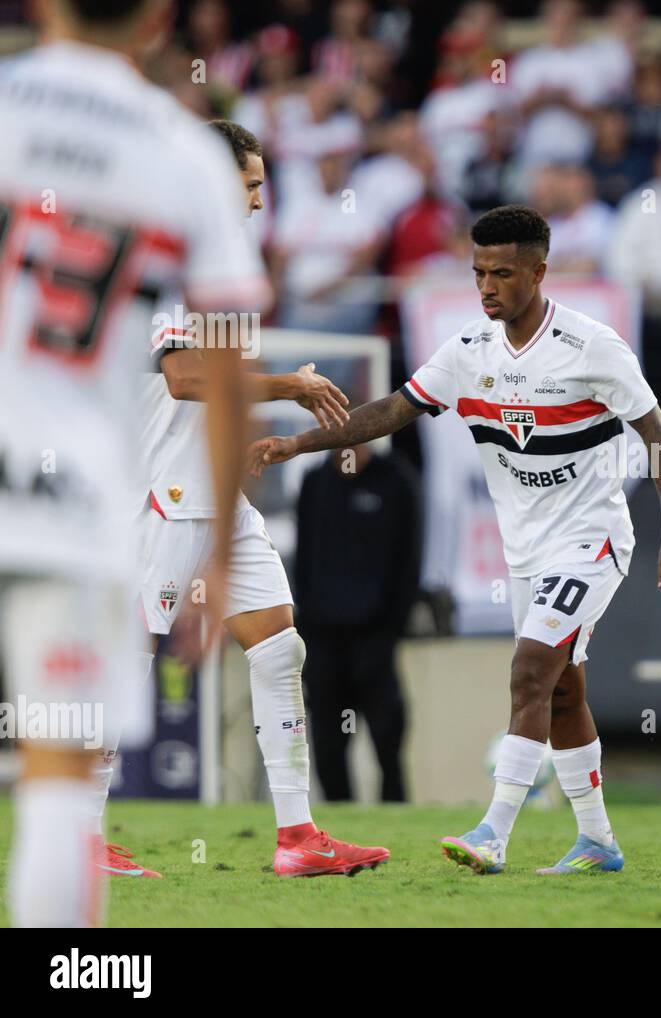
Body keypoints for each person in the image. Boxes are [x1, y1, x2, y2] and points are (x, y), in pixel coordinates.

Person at [249, 204, 661, 875]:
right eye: (479, 272)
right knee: (563, 690)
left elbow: (658, 436)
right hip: (526, 555)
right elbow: (391, 410)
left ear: (540, 272)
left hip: (591, 539)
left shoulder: (591, 347)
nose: (487, 286)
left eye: (503, 274)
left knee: (530, 669)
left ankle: (494, 830)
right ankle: (598, 841)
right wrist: (300, 442)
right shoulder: (467, 352)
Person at [0, 0, 258, 925]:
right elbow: (222, 378)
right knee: (58, 786)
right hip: (69, 509)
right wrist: (221, 551)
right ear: (157, 19)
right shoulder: (184, 157)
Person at [125, 119, 390, 878]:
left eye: (260, 186)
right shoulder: (168, 257)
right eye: (247, 185)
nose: (256, 200)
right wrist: (288, 385)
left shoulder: (222, 264)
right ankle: (80, 836)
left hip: (215, 490)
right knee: (135, 654)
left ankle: (298, 836)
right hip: (164, 493)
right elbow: (180, 377)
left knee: (279, 646)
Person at [295, 443, 423, 802]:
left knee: (388, 734)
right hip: (323, 638)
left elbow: (409, 561)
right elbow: (304, 561)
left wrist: (391, 631)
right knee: (328, 739)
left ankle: (394, 810)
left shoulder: (396, 481)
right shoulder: (315, 483)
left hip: (375, 637)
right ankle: (337, 818)